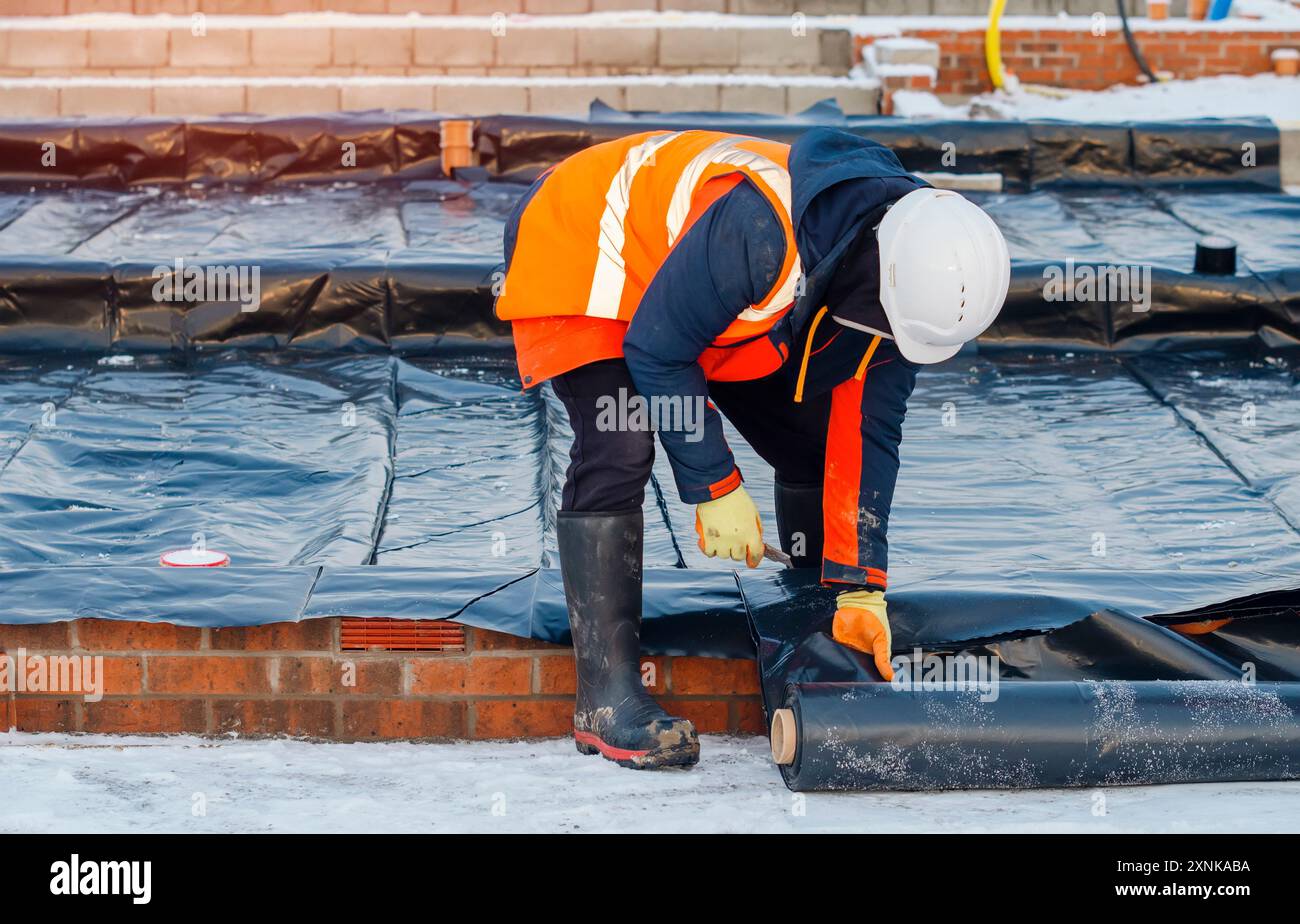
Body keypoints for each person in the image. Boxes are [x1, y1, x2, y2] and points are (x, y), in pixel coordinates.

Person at [496, 128, 1010, 770]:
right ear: (878, 270)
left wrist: (861, 585)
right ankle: (606, 700)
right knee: (621, 441)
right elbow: (657, 351)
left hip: (693, 293)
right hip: (588, 242)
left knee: (814, 440)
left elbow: (867, 431)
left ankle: (811, 633)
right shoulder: (765, 231)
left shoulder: (906, 281)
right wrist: (715, 487)